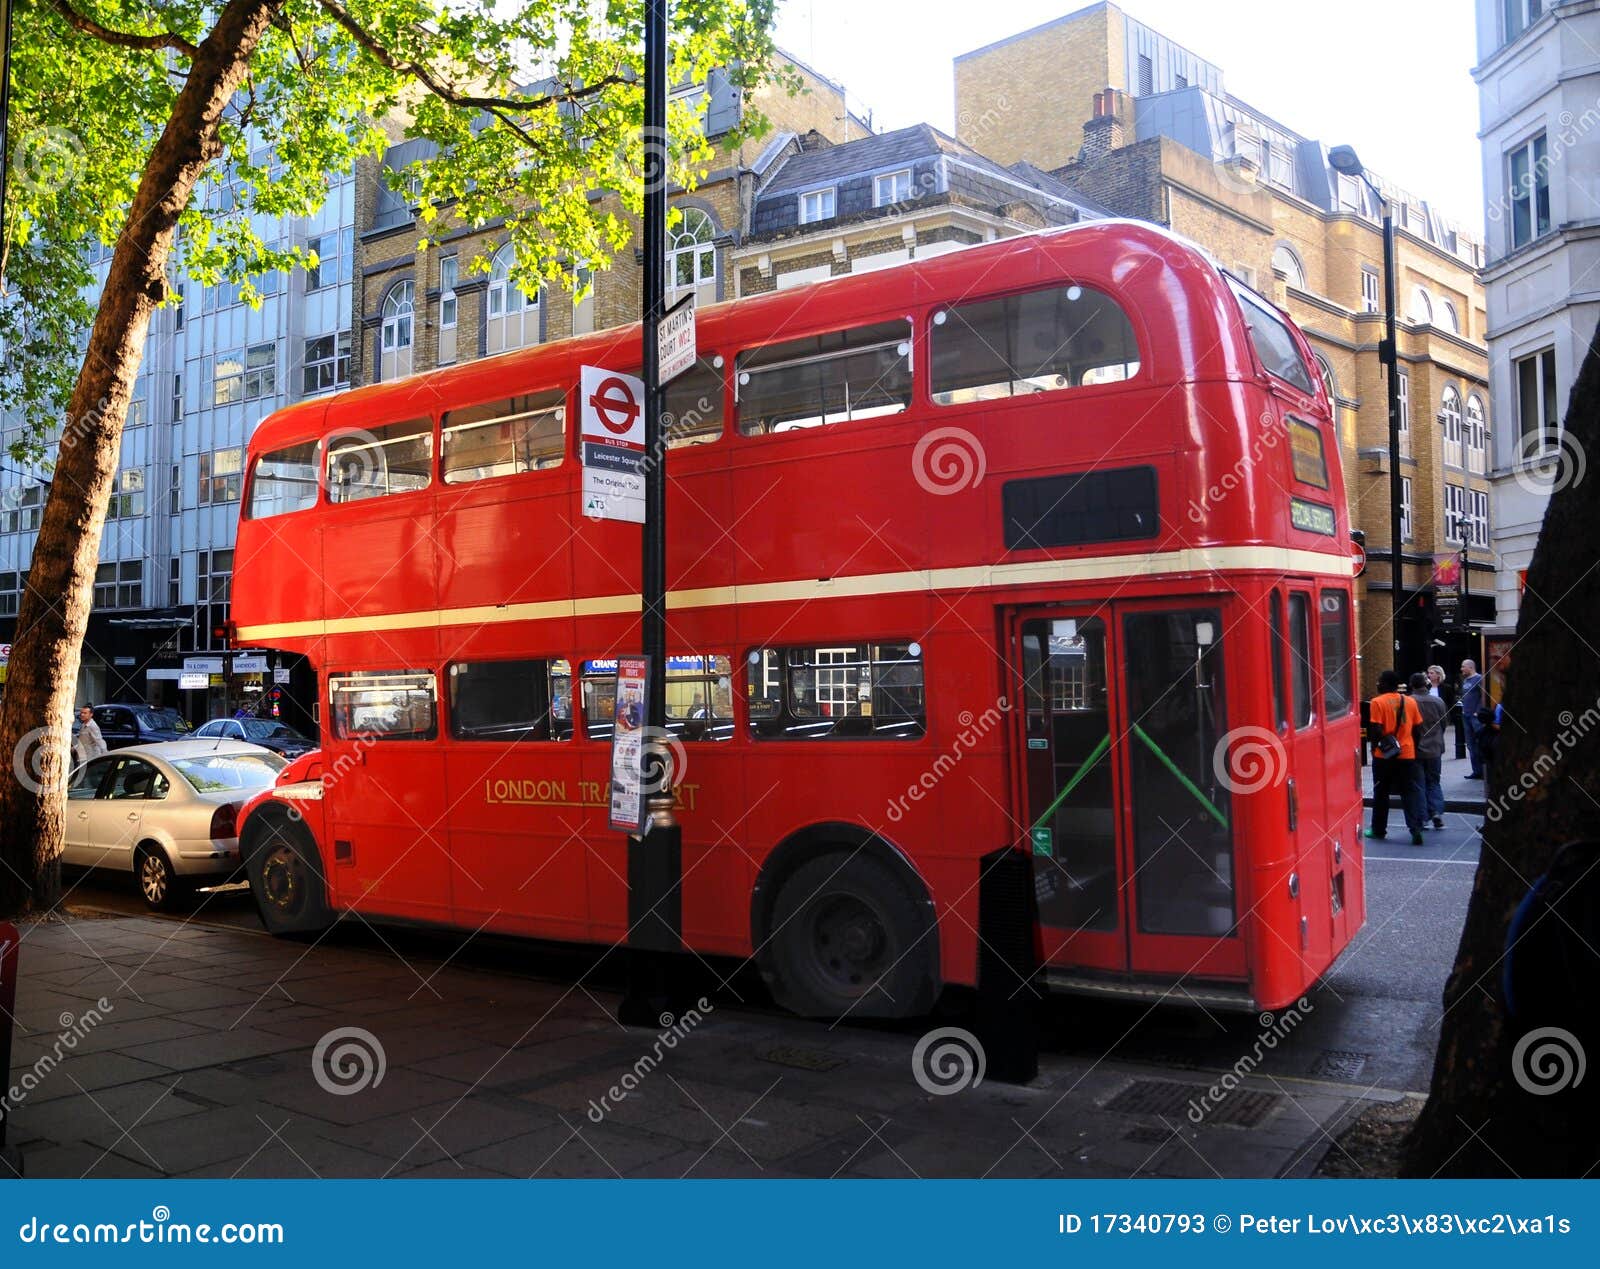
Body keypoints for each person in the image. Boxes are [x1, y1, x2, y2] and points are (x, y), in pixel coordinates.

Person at [1367, 670, 1425, 845]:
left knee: (1381, 792)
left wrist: (1374, 749)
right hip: (1407, 754)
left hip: (1384, 756)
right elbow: (1417, 730)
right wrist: (1412, 748)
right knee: (1409, 792)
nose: (1377, 684)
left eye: (1379, 681)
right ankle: (1415, 829)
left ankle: (1378, 829)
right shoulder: (1410, 701)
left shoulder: (1377, 702)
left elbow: (1376, 730)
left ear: (1384, 684)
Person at [1410, 671, 1448, 830]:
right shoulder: (1438, 701)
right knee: (1434, 781)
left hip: (1416, 748)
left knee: (1419, 783)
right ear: (1426, 684)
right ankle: (1436, 812)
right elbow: (1444, 724)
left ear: (1412, 685)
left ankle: (1422, 817)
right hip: (1434, 747)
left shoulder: (1409, 701)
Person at [1459, 659, 1485, 778]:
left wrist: (1477, 712)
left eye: (1463, 666)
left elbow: (1483, 696)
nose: (1462, 669)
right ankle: (1476, 771)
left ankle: (1484, 770)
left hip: (1475, 717)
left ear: (1470, 667)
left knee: (1479, 743)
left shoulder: (1479, 679)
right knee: (1470, 744)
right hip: (1466, 715)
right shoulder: (1465, 681)